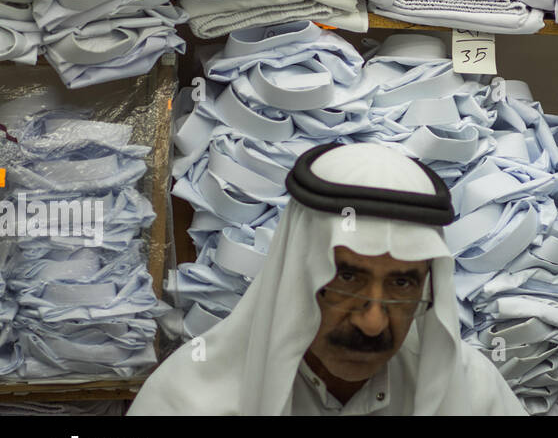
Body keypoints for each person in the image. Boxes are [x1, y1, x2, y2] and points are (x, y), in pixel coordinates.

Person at [129, 142, 526, 415]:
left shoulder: (472, 390)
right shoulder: (188, 397)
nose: (373, 323)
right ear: (297, 273)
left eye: (402, 284)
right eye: (347, 277)